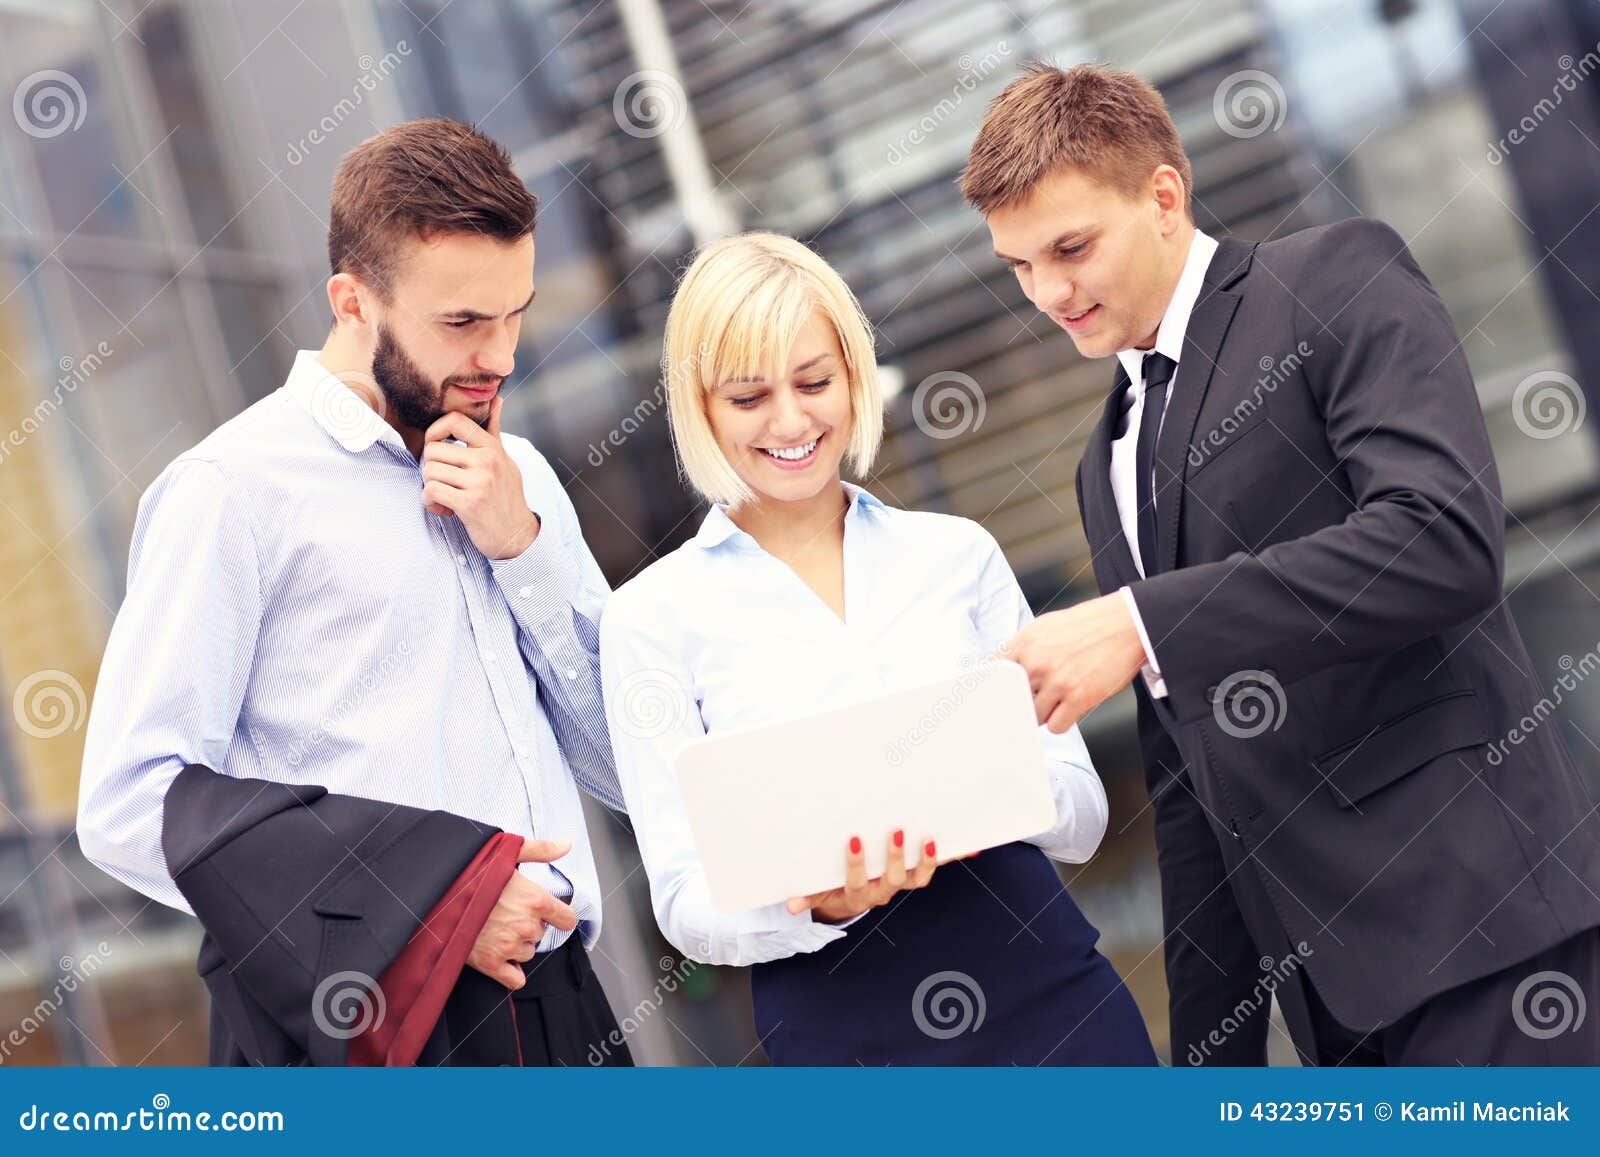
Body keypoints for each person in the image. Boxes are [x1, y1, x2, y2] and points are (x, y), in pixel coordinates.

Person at [962, 62, 1600, 1065]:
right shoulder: (1105, 457)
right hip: (1334, 1014)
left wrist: (1138, 622)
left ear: (1163, 196)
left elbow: (1442, 537)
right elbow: (1189, 780)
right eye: (1018, 266)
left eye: (1070, 248)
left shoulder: (1333, 278)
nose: (1046, 292)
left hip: (1487, 946)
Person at [77, 118, 630, 1066]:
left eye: (515, 313)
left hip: (567, 1009)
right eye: (461, 323)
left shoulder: (522, 477)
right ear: (352, 302)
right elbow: (131, 804)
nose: (500, 355)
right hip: (378, 1028)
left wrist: (523, 549)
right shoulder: (233, 491)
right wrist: (433, 911)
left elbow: (625, 766)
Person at [599, 231, 1155, 1066]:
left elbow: (1081, 813)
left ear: (854, 378)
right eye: (749, 397)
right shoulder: (652, 617)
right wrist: (819, 904)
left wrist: (974, 794)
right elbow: (683, 901)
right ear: (699, 407)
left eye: (814, 381)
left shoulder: (953, 554)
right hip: (843, 1032)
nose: (791, 420)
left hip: (1044, 990)